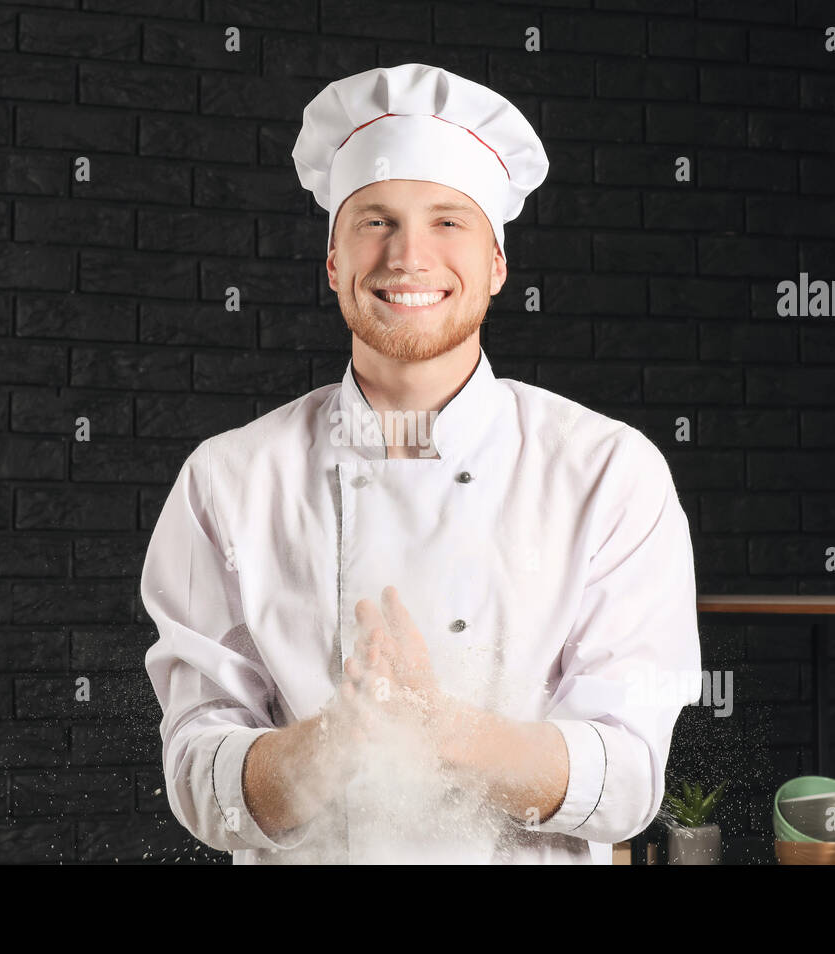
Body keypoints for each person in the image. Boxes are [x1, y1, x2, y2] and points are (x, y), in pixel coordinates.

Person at [142, 63, 702, 864]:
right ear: (333, 262)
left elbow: (628, 781)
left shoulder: (608, 473)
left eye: (448, 221)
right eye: (375, 221)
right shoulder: (228, 480)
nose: (408, 256)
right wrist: (333, 744)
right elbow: (197, 771)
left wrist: (444, 733)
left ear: (498, 264)